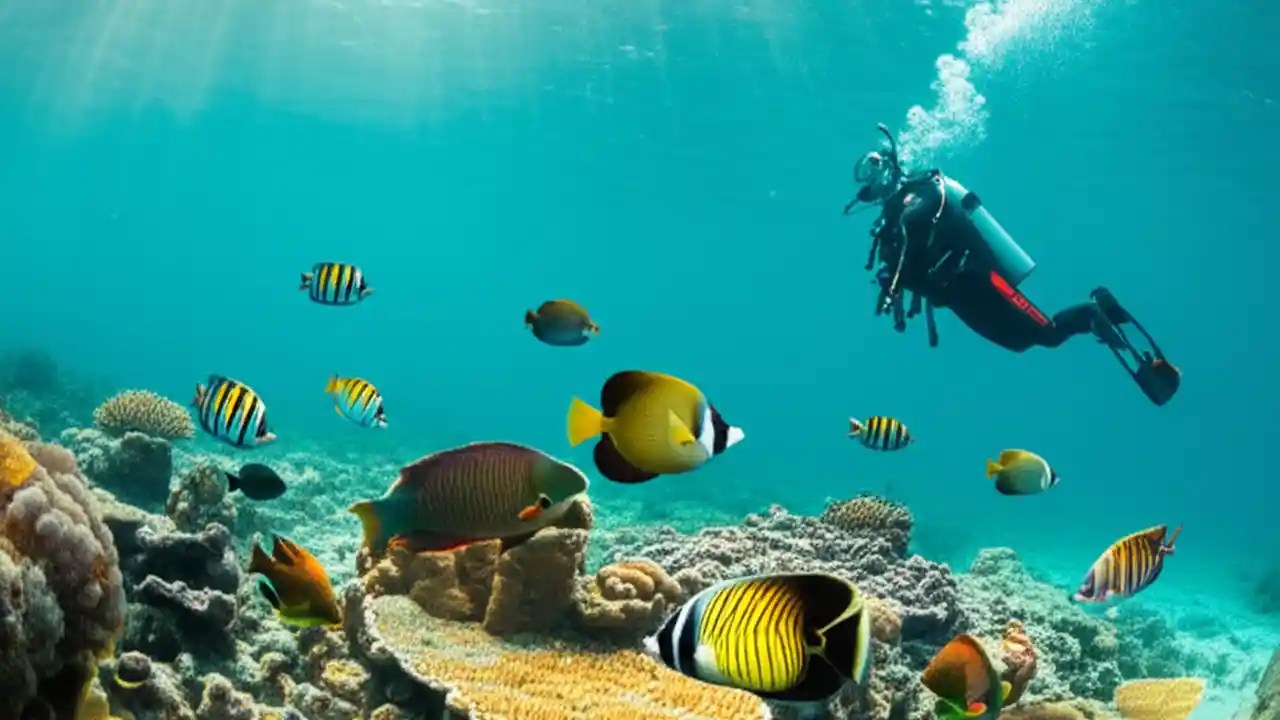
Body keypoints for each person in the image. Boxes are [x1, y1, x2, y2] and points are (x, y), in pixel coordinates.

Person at [845, 123, 1181, 406]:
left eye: (872, 173)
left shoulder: (921, 197)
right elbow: (907, 260)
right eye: (864, 179)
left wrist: (895, 277)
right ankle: (1095, 317)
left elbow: (913, 234)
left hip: (983, 278)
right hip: (959, 295)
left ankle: (1093, 313)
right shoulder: (893, 218)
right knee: (1021, 343)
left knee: (1046, 334)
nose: (869, 186)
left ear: (888, 169)